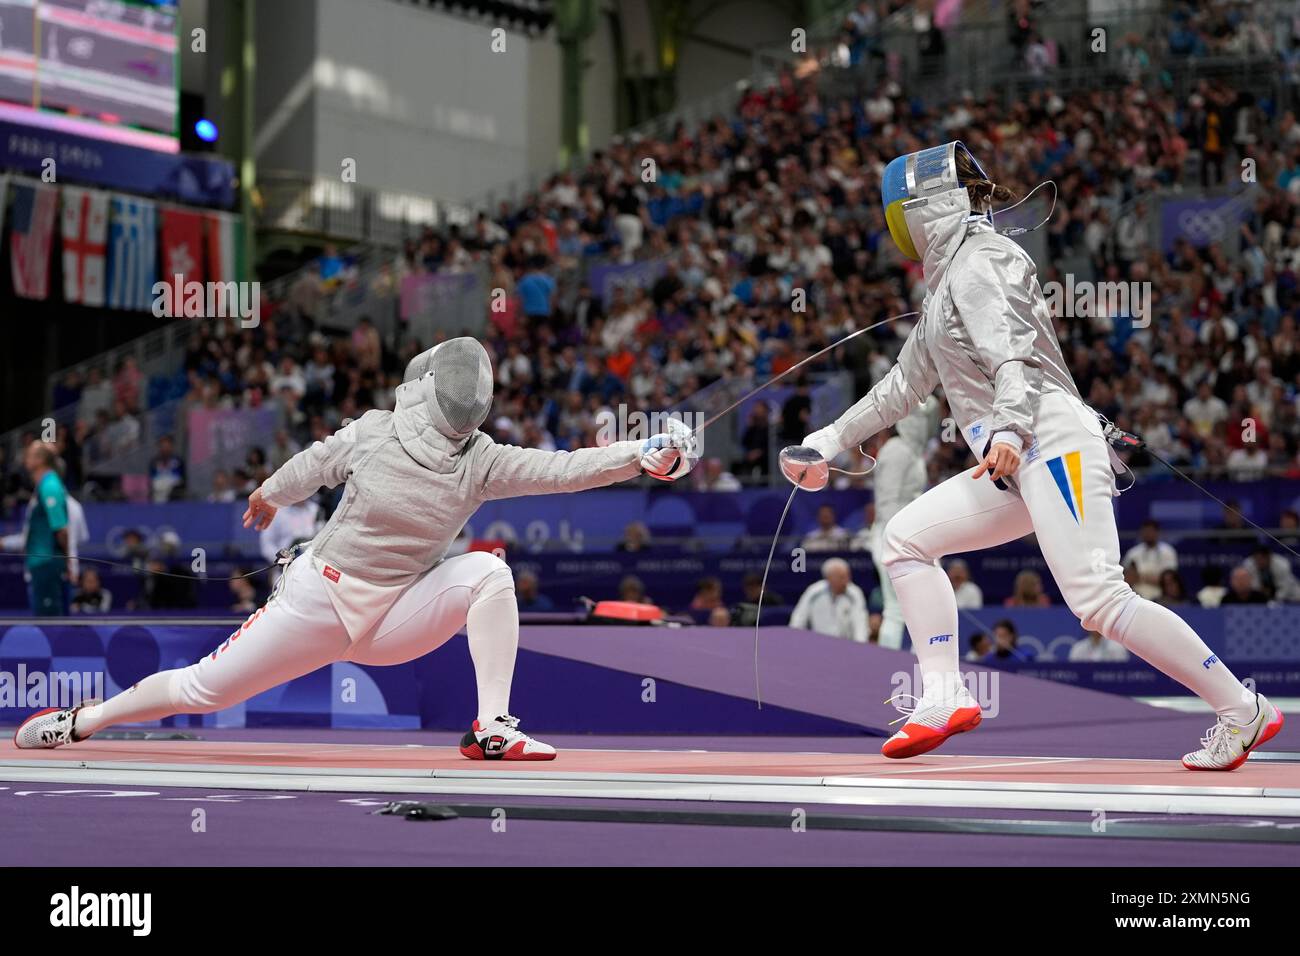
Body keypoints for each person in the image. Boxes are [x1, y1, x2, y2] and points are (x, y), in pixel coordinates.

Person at [797, 141, 1280, 770]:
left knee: (1099, 600)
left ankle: (1242, 709)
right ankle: (942, 695)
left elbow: (1012, 354)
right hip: (1014, 458)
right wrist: (825, 443)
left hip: (1046, 439)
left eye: (896, 214)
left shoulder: (985, 259)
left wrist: (1010, 431)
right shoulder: (945, 286)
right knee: (905, 540)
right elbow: (901, 387)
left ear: (924, 209)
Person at [15, 338, 697, 760]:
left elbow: (309, 465)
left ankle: (492, 725)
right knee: (203, 687)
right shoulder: (418, 443)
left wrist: (266, 496)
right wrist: (642, 453)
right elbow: (567, 468)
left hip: (394, 614)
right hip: (320, 604)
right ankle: (83, 721)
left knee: (490, 573)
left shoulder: (458, 453)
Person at [865, 398, 938, 648]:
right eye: (919, 419)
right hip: (893, 537)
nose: (924, 425)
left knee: (923, 610)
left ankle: (926, 667)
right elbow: (887, 503)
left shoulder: (913, 453)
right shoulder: (896, 450)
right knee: (896, 609)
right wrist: (897, 543)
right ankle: (888, 665)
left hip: (913, 537)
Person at [789, 557, 869, 643]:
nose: (846, 581)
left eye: (847, 576)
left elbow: (860, 625)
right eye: (842, 577)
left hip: (845, 646)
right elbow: (798, 619)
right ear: (829, 578)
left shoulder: (854, 593)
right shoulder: (814, 592)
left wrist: (860, 648)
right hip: (817, 646)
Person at [1121, 520, 1179, 600]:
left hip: (1161, 594)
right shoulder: (1133, 553)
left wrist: (1141, 577)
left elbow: (1169, 580)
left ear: (1157, 532)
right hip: (1136, 593)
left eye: (1151, 531)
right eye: (1145, 532)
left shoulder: (1168, 552)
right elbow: (1127, 578)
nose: (1148, 534)